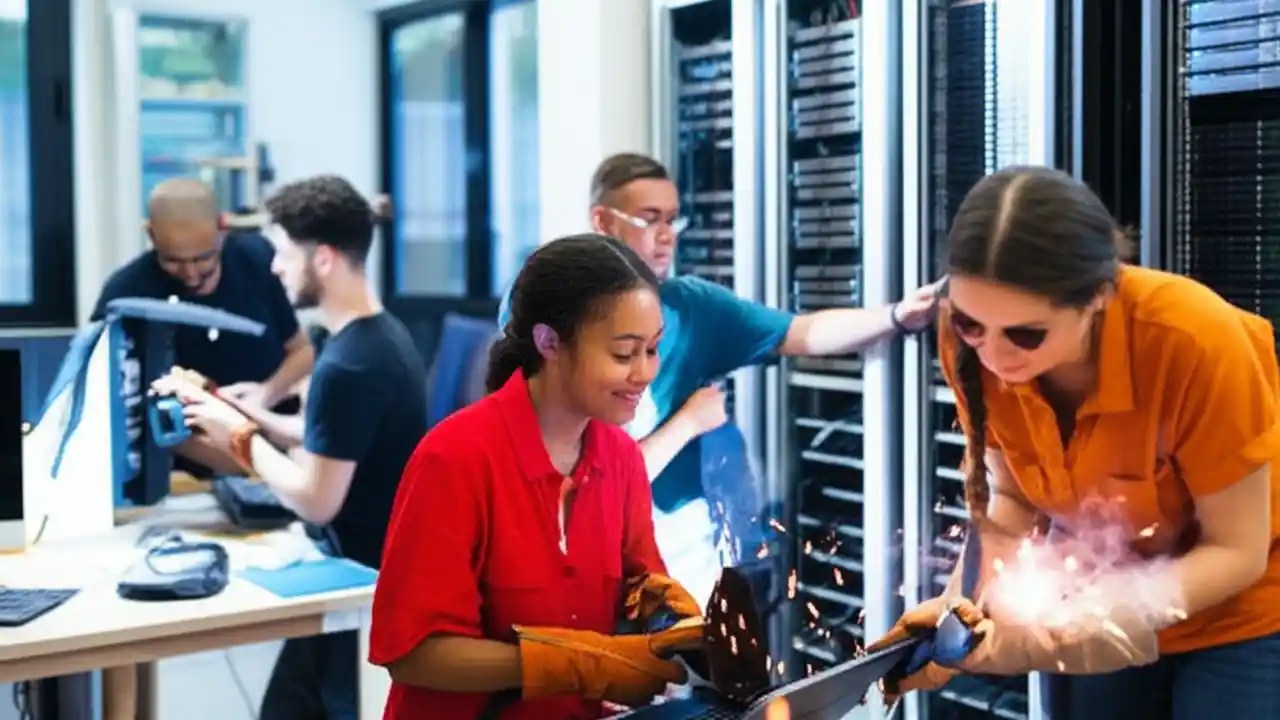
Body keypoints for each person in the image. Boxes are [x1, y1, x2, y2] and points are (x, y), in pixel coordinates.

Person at [872, 166, 1280, 719]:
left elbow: (1236, 552)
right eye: (972, 326)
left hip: (1240, 616)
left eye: (1026, 334)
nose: (994, 356)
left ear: (1098, 297)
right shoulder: (966, 338)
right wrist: (962, 610)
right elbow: (1012, 499)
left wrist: (1076, 622)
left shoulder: (1195, 341)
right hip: (1090, 592)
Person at [503, 153, 944, 606]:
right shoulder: (547, 313)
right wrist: (688, 423)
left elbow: (802, 332)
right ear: (604, 221)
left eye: (673, 220)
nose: (666, 236)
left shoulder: (692, 308)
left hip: (679, 548)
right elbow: (586, 487)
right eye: (650, 219)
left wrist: (896, 316)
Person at [370, 234, 705, 720]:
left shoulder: (621, 458)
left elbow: (638, 582)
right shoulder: (454, 458)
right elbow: (414, 655)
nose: (644, 373)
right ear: (549, 342)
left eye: (652, 350)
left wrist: (666, 615)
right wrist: (579, 664)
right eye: (623, 354)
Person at [154, 175, 428, 719]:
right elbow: (335, 437)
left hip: (362, 591)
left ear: (322, 259)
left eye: (283, 253)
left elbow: (316, 499)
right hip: (365, 577)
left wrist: (235, 435)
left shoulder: (348, 365)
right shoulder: (378, 337)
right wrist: (247, 412)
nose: (275, 267)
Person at [93, 178, 314, 475]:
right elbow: (127, 413)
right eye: (173, 261)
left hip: (278, 448)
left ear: (223, 229)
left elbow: (302, 352)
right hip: (187, 469)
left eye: (204, 259)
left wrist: (265, 395)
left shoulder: (258, 260)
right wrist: (251, 462)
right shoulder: (126, 296)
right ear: (151, 235)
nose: (191, 274)